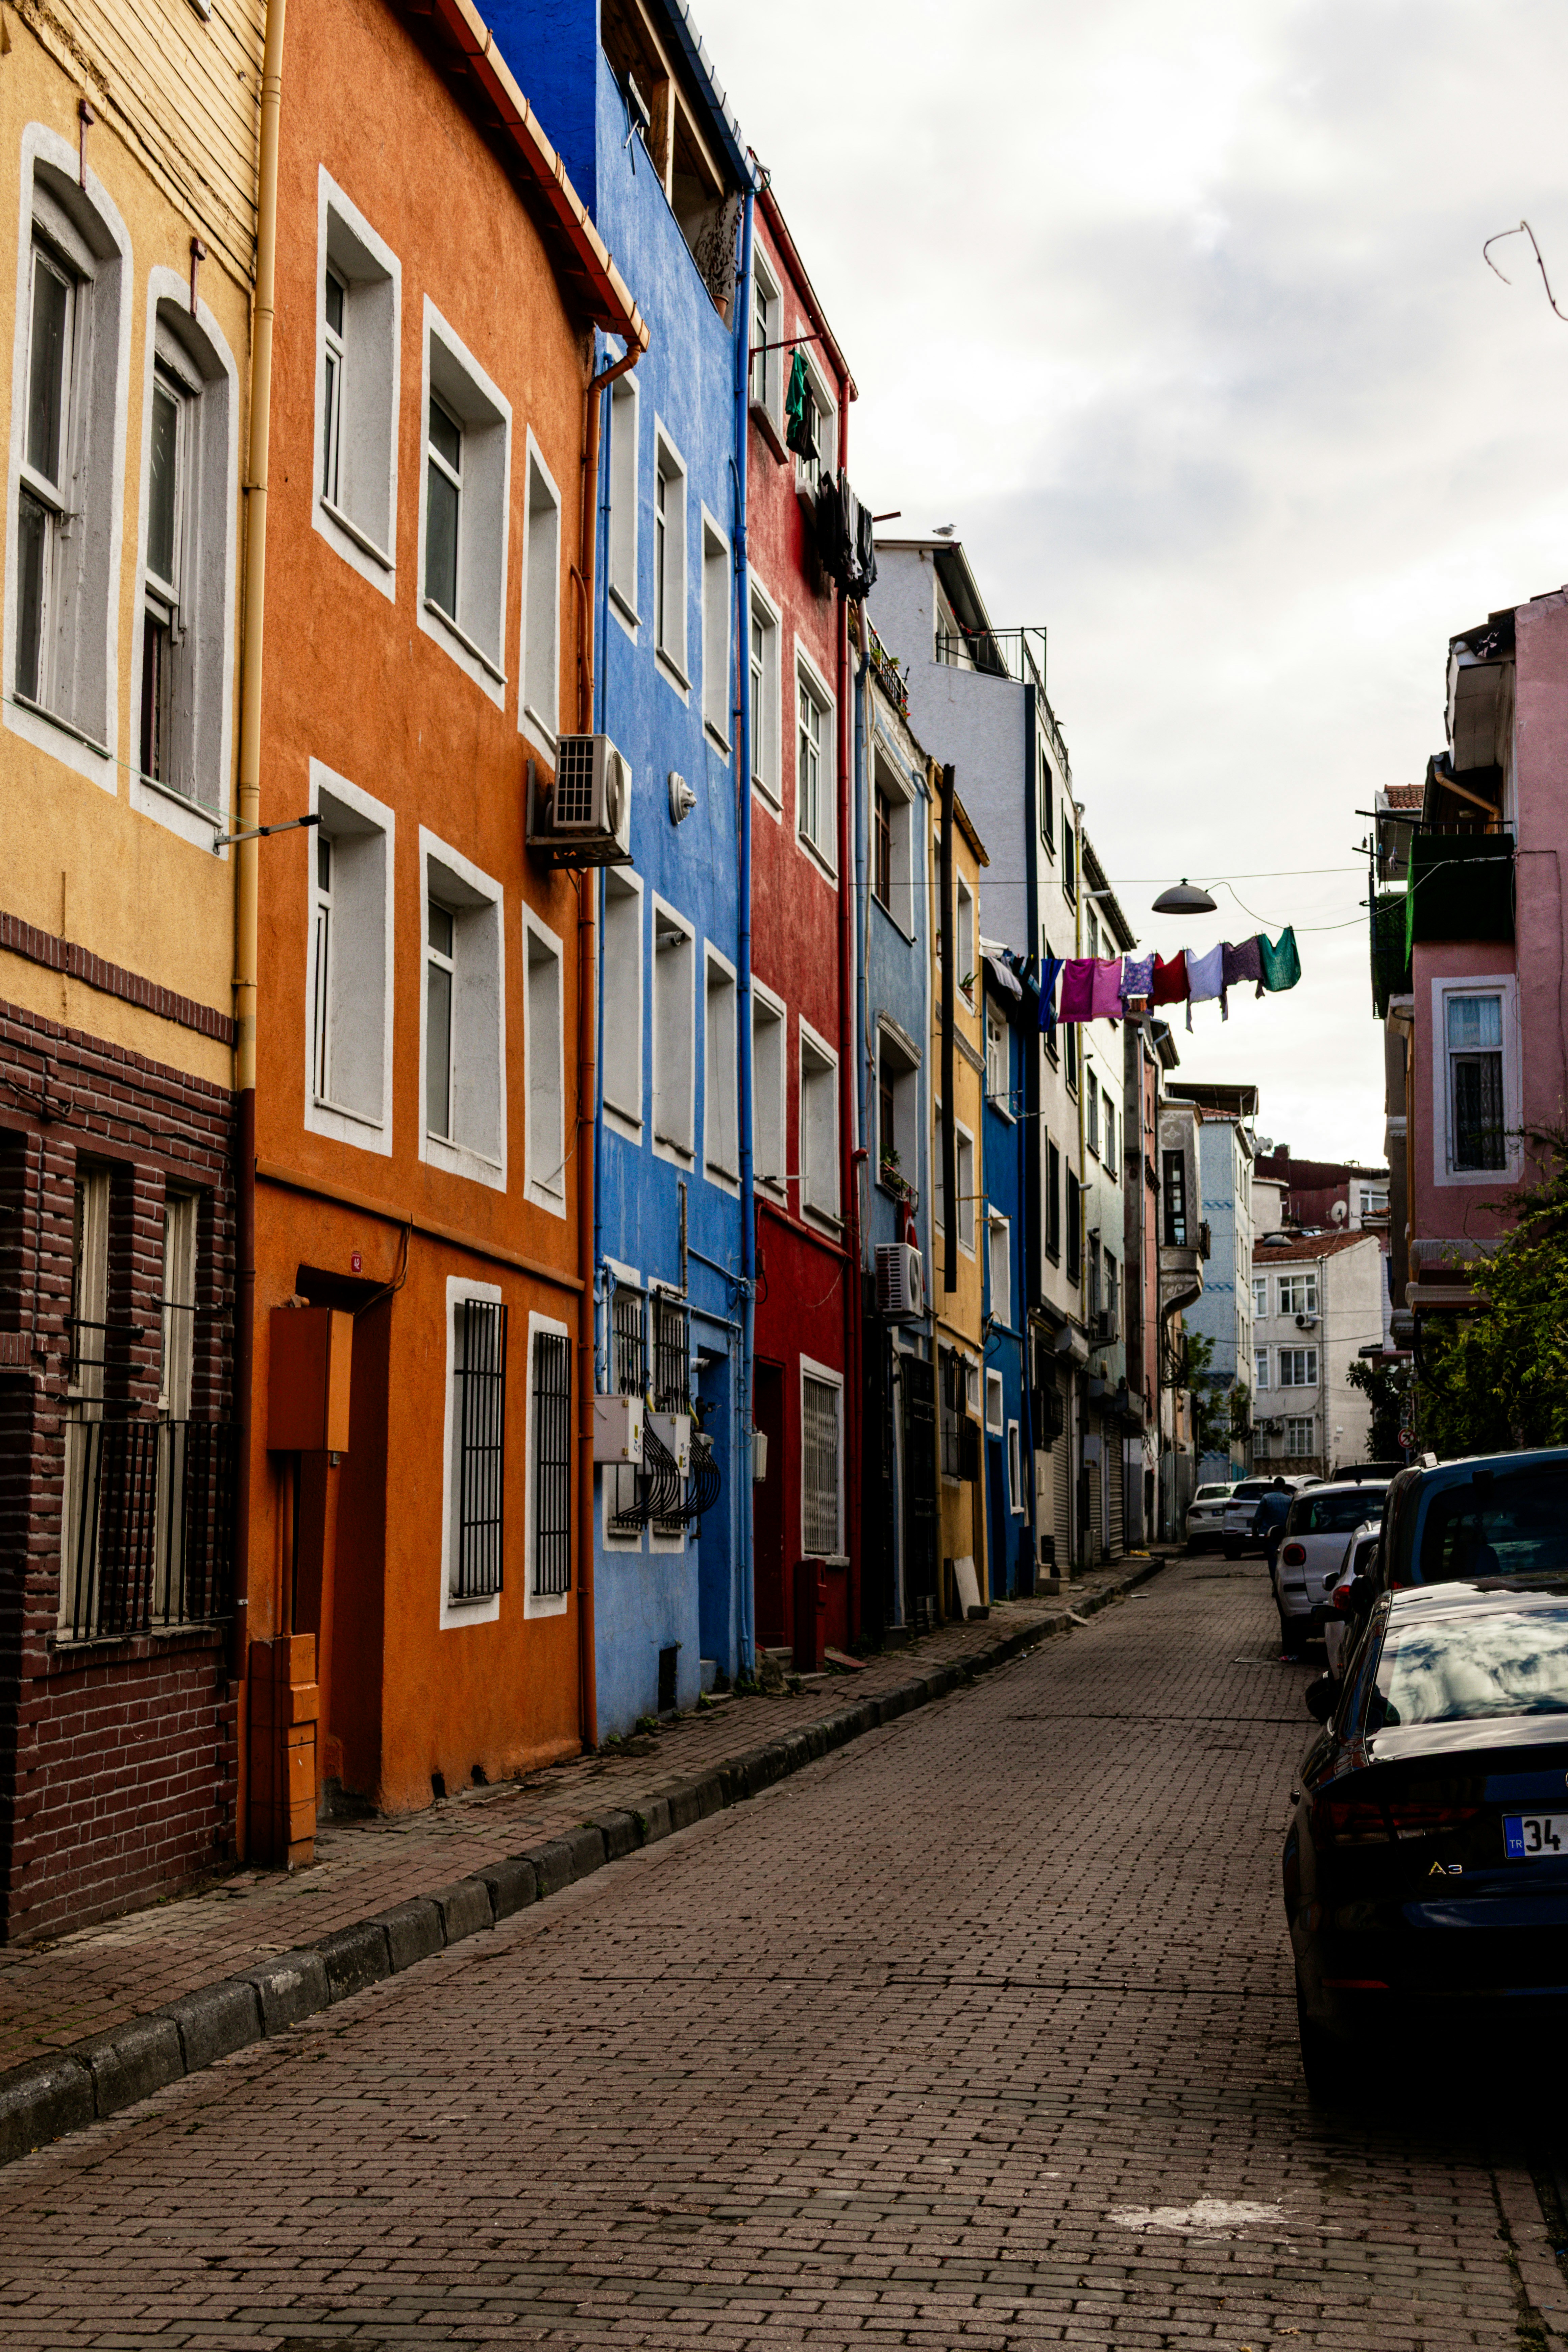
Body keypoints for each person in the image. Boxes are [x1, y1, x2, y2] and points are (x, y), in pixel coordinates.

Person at [1255, 1476, 1293, 1577]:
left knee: (1272, 1558)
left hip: (1270, 1534)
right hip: (1285, 1534)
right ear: (1284, 1486)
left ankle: (1275, 1580)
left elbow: (1258, 1516)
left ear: (1273, 1486)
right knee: (1285, 1558)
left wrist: (1255, 1531)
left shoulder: (1266, 1498)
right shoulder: (1290, 1499)